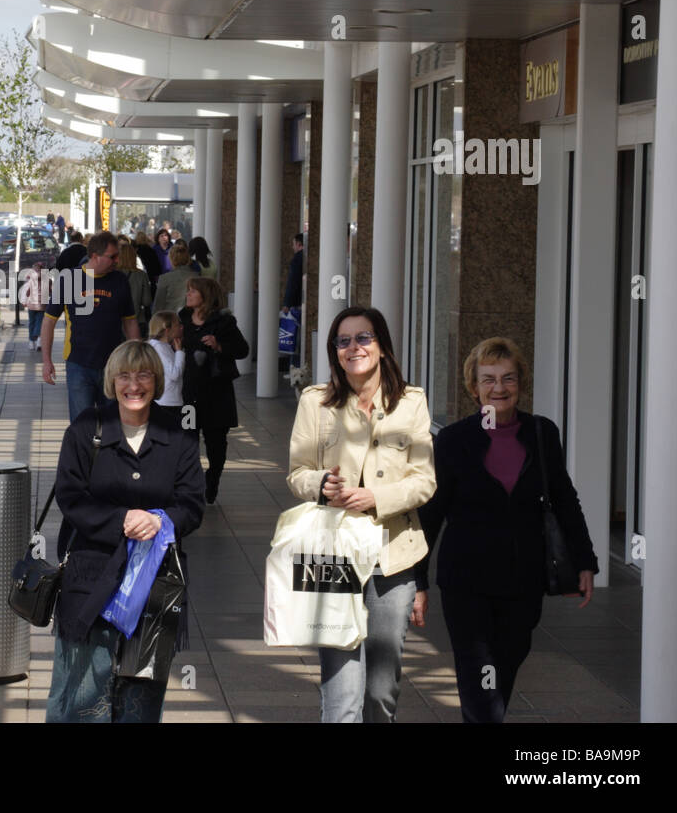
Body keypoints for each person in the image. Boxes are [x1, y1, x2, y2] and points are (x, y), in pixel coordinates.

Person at [417, 337, 598, 723]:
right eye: (489, 379)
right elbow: (432, 513)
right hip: (467, 582)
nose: (499, 388)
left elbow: (564, 500)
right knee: (479, 673)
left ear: (521, 382)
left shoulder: (542, 433)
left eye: (508, 378)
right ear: (473, 386)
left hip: (523, 581)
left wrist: (585, 561)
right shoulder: (453, 440)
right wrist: (416, 579)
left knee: (505, 665)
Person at [286, 306, 435, 723]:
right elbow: (297, 473)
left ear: (382, 346)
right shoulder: (316, 402)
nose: (354, 347)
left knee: (381, 691)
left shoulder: (412, 403)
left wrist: (376, 497)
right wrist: (320, 484)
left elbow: (425, 481)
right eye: (343, 341)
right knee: (341, 690)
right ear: (335, 352)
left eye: (363, 338)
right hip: (333, 556)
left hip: (395, 558)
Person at [46, 340, 205, 723]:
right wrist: (121, 520)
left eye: (144, 375)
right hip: (91, 577)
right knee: (83, 693)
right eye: (125, 376)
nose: (134, 385)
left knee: (142, 698)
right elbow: (70, 496)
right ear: (111, 381)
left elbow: (192, 503)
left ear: (158, 380)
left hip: (154, 586)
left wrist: (160, 520)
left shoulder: (179, 434)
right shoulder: (87, 428)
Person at [41, 230, 140, 422]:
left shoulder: (119, 281)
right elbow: (49, 321)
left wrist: (137, 358)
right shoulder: (69, 279)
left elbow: (130, 321)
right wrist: (46, 361)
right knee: (82, 426)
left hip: (114, 366)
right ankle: (84, 453)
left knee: (113, 424)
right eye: (112, 257)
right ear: (95, 256)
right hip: (79, 364)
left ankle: (108, 453)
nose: (117, 261)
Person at [179, 276, 249, 504]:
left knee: (216, 443)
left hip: (217, 392)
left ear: (205, 296)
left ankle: (213, 479)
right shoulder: (182, 318)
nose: (188, 294)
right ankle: (193, 482)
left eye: (193, 291)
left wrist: (219, 346)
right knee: (187, 439)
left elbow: (242, 350)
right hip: (189, 392)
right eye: (188, 290)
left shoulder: (224, 322)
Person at [148, 310, 186, 424]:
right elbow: (174, 374)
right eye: (178, 324)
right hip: (167, 402)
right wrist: (179, 352)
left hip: (170, 400)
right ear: (167, 330)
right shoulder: (159, 347)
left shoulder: (163, 346)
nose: (181, 327)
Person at [151, 242, 196, 316]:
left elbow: (158, 306)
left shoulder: (164, 278)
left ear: (171, 259)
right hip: (191, 319)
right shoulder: (197, 276)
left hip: (170, 320)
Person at [118, 241, 153, 335]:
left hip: (116, 321)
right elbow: (147, 301)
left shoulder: (112, 275)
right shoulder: (141, 275)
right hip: (137, 320)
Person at [20, 257, 49, 351]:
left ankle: (31, 341)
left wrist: (23, 301)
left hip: (31, 305)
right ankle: (39, 340)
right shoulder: (47, 279)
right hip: (42, 306)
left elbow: (26, 291)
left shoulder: (30, 279)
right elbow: (51, 291)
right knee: (39, 323)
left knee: (31, 322)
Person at [281, 233, 304, 315]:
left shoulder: (297, 259)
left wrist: (287, 303)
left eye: (293, 244)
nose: (293, 247)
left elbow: (292, 281)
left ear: (298, 244)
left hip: (297, 302)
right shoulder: (307, 257)